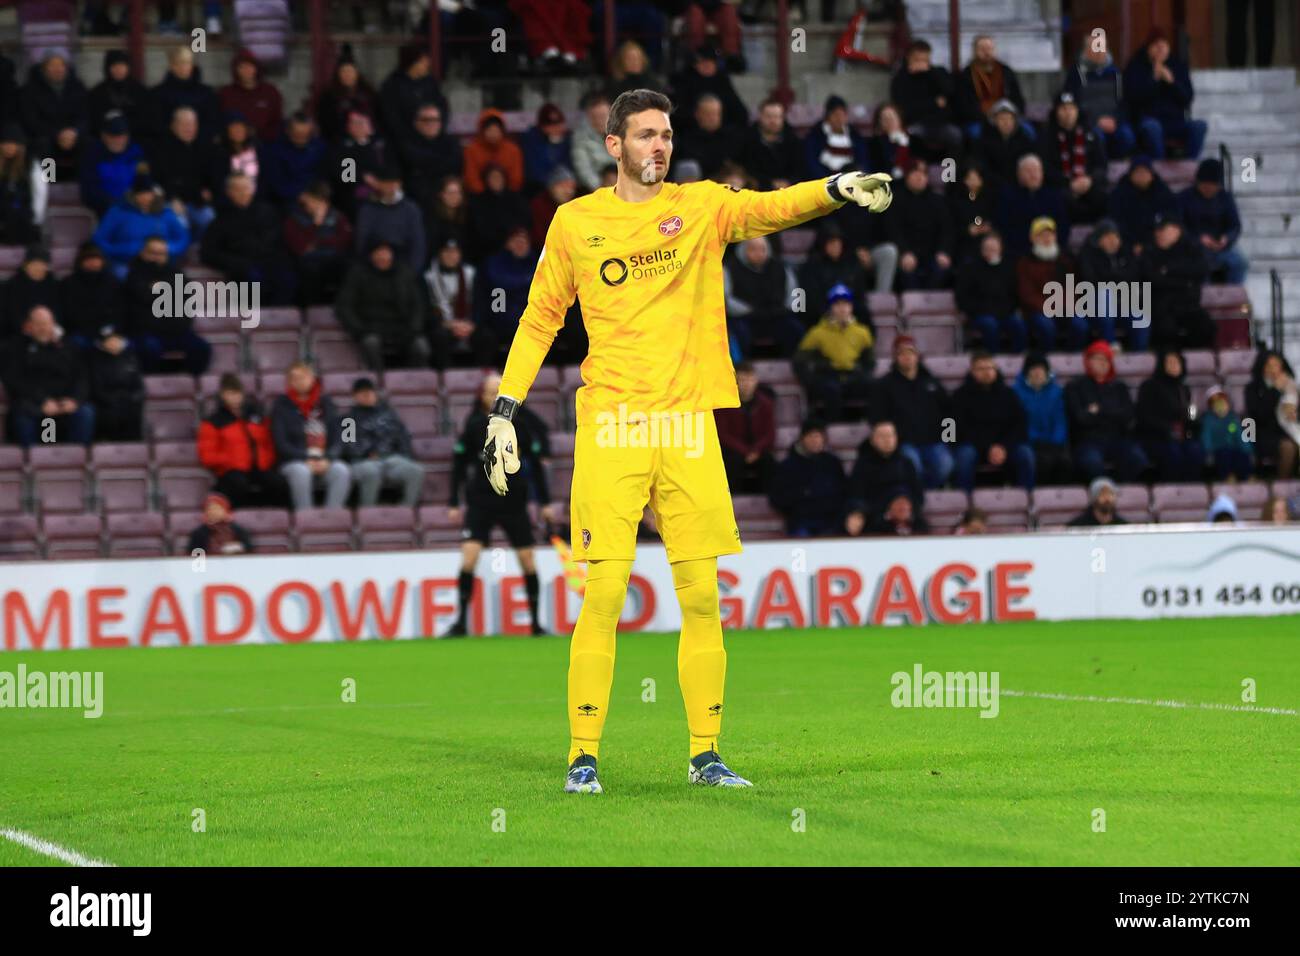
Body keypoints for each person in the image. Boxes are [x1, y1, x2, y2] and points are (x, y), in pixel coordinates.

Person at [483, 88, 892, 795]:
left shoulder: (699, 207)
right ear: (614, 146)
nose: (659, 146)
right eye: (645, 135)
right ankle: (583, 757)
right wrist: (503, 410)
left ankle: (705, 754)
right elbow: (539, 318)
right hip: (613, 424)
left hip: (687, 424)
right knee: (604, 591)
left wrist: (834, 188)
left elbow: (769, 207)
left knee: (701, 596)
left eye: (666, 134)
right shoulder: (577, 223)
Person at [446, 372, 552, 637]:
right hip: (481, 501)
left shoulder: (521, 424)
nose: (493, 396)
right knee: (469, 558)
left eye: (498, 391)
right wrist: (453, 501)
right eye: (489, 392)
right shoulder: (473, 426)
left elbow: (537, 465)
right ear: (481, 397)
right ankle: (460, 623)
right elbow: (458, 465)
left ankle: (536, 624)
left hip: (513, 501)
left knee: (528, 560)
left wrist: (545, 501)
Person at [200, 172, 297, 305]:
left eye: (246, 188)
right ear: (229, 192)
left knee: (288, 278)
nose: (242, 193)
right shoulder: (220, 221)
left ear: (253, 189)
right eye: (237, 189)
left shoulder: (268, 212)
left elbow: (275, 243)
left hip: (270, 265)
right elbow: (208, 253)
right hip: (242, 271)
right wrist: (236, 263)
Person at [336, 239, 432, 372]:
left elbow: (418, 304)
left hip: (402, 327)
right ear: (371, 255)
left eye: (386, 253)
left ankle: (414, 382)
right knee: (370, 343)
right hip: (371, 326)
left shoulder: (405, 272)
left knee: (421, 347)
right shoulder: (357, 274)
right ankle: (379, 382)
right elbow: (344, 306)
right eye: (378, 253)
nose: (383, 257)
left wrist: (414, 327)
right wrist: (360, 330)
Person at [3, 306, 94, 447]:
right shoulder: (17, 348)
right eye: (38, 324)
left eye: (46, 323)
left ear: (53, 324)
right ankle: (33, 462)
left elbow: (81, 377)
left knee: (85, 412)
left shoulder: (68, 347)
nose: (43, 328)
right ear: (29, 326)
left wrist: (75, 400)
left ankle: (76, 462)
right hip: (33, 404)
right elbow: (14, 381)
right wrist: (42, 401)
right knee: (27, 417)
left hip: (64, 403)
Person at [872, 336, 953, 490]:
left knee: (945, 465)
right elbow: (878, 417)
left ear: (917, 356)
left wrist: (950, 439)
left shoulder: (932, 382)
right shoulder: (884, 385)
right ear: (895, 357)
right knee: (913, 466)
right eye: (902, 353)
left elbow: (949, 413)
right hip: (903, 442)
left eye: (911, 352)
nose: (907, 356)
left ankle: (926, 492)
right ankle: (918, 495)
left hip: (934, 441)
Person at [122, 236, 212, 374]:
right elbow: (141, 299)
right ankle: (152, 385)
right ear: (143, 253)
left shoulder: (176, 273)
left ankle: (190, 385)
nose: (157, 257)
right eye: (153, 253)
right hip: (146, 332)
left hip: (176, 330)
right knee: (149, 348)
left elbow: (187, 303)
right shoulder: (133, 275)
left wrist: (155, 290)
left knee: (202, 348)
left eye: (161, 253)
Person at [197, 373, 287, 509]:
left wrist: (268, 460)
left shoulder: (257, 416)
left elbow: (269, 443)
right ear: (222, 395)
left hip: (260, 467)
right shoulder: (213, 422)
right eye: (230, 394)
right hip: (231, 470)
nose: (235, 398)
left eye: (237, 393)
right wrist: (229, 461)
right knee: (237, 484)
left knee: (279, 484)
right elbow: (207, 456)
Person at [270, 362, 352, 510]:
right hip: (294, 460)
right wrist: (306, 458)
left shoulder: (326, 402)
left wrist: (328, 458)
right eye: (296, 378)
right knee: (302, 471)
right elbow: (281, 443)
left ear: (313, 379)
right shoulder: (280, 406)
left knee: (342, 469)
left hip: (323, 459)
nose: (301, 381)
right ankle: (306, 518)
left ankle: (331, 517)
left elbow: (341, 436)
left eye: (305, 377)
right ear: (289, 382)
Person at [1064, 339, 1149, 482]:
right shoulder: (1075, 386)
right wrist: (1111, 412)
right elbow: (1080, 418)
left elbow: (1128, 416)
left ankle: (1119, 492)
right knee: (1092, 464)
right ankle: (1101, 496)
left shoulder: (1119, 386)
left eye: (1106, 359)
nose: (1102, 363)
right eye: (1098, 358)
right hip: (1087, 440)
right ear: (1088, 361)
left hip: (1117, 438)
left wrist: (1098, 411)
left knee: (1137, 458)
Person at [951, 351, 1034, 492]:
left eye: (990, 368)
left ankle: (1025, 500)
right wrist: (987, 447)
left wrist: (1003, 446)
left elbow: (1020, 425)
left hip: (1004, 447)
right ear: (972, 371)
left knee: (1025, 454)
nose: (987, 372)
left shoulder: (1009, 394)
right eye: (981, 369)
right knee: (964, 456)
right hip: (974, 446)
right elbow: (952, 429)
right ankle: (964, 501)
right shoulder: (959, 396)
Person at [792, 284, 875, 421]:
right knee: (831, 391)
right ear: (830, 307)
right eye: (837, 304)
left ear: (851, 307)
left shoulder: (862, 332)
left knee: (874, 386)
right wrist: (812, 379)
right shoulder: (817, 333)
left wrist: (863, 372)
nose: (842, 308)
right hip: (828, 377)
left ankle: (870, 425)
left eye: (846, 304)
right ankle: (834, 426)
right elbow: (800, 361)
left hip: (852, 376)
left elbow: (869, 360)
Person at [1123, 28, 1207, 159]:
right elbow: (1134, 98)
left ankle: (1188, 165)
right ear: (1148, 48)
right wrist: (1154, 79)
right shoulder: (1136, 66)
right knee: (1152, 127)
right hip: (1149, 120)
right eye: (1156, 46)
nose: (1160, 50)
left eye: (1163, 46)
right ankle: (1158, 165)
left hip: (1175, 121)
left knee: (1199, 126)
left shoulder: (1178, 66)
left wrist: (1171, 82)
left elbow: (1187, 99)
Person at [342, 378, 424, 507]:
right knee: (372, 472)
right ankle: (367, 512)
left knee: (416, 470)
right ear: (355, 396)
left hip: (390, 459)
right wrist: (369, 452)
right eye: (363, 393)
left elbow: (403, 437)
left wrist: (405, 456)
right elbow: (348, 446)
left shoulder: (389, 414)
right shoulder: (348, 419)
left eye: (370, 392)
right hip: (363, 462)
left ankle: (406, 511)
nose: (368, 396)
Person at [93, 173, 190, 277]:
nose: (146, 197)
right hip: (126, 263)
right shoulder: (117, 212)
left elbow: (183, 237)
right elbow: (99, 240)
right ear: (133, 195)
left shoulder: (166, 213)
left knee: (176, 279)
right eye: (141, 194)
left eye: (149, 193)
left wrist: (168, 247)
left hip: (160, 263)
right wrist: (125, 249)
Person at [1143, 212, 1215, 351]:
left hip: (1189, 304)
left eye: (1162, 229)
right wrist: (1185, 282)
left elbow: (1201, 269)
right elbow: (1153, 279)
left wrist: (1168, 270)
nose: (1158, 233)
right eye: (1157, 230)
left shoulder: (1191, 248)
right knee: (1165, 330)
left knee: (1207, 327)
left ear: (1177, 230)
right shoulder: (1150, 250)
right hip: (1161, 307)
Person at [1016, 216, 1088, 350]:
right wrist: (1048, 307)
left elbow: (1075, 286)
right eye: (1041, 235)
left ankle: (1072, 357)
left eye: (1050, 235)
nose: (1047, 239)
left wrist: (1066, 304)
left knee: (1080, 325)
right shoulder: (1025, 263)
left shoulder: (1066, 260)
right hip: (1038, 310)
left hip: (1065, 308)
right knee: (1046, 326)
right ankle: (1047, 357)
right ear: (1032, 238)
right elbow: (1026, 294)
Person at [723, 235, 802, 357]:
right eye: (753, 249)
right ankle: (742, 369)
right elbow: (727, 300)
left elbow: (796, 295)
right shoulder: (730, 268)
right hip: (745, 318)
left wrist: (785, 309)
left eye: (762, 249)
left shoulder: (781, 268)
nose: (758, 253)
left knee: (795, 328)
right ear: (743, 250)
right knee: (737, 332)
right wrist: (748, 310)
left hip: (776, 316)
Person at [1077, 219, 1148, 351]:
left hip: (1123, 303)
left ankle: (1139, 355)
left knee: (1141, 319)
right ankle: (1110, 346)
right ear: (1098, 240)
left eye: (1115, 236)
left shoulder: (1126, 252)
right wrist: (1117, 278)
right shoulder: (1088, 254)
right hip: (1094, 307)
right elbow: (1091, 281)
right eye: (1108, 237)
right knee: (1105, 296)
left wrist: (1110, 277)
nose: (1113, 240)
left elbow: (1134, 276)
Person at [769, 418, 847, 537]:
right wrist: (802, 497)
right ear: (802, 438)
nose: (815, 440)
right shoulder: (788, 466)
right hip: (800, 522)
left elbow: (843, 491)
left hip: (831, 522)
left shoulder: (833, 463)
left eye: (818, 436)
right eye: (811, 436)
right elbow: (777, 497)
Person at [844, 420, 923, 536]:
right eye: (882, 436)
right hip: (874, 517)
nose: (887, 440)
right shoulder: (863, 465)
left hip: (904, 516)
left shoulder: (906, 463)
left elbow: (918, 495)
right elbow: (856, 495)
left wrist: (905, 509)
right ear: (872, 440)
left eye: (890, 435)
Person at [1038, 90, 1107, 225]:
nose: (1068, 112)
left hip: (1088, 183)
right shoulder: (1046, 136)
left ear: (1077, 110)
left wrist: (1089, 180)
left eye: (1071, 108)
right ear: (1056, 111)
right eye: (1063, 108)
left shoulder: (1090, 133)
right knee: (1060, 199)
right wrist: (1068, 183)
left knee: (1102, 197)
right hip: (1060, 186)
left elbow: (1101, 164)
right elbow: (1045, 168)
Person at [147, 106, 216, 239]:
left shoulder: (204, 147)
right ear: (173, 125)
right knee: (179, 225)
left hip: (197, 201)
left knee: (210, 220)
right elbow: (158, 179)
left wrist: (208, 190)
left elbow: (211, 176)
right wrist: (171, 198)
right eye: (184, 124)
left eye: (192, 124)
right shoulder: (161, 149)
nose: (189, 128)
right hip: (172, 201)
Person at [18, 53, 88, 182]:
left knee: (88, 145)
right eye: (53, 65)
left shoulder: (77, 87)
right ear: (44, 68)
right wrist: (56, 134)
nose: (58, 69)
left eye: (61, 65)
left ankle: (82, 183)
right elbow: (31, 121)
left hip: (73, 136)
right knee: (42, 146)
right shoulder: (30, 90)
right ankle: (48, 182)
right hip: (46, 135)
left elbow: (85, 115)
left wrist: (74, 132)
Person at [426, 238, 495, 367]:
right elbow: (426, 307)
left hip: (469, 324)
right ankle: (446, 380)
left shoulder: (471, 273)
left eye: (455, 252)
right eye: (447, 252)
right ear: (440, 254)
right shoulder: (429, 276)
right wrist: (448, 324)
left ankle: (483, 377)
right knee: (439, 337)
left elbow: (481, 302)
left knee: (487, 336)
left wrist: (473, 323)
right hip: (444, 325)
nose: (451, 256)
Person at [1136, 350, 1202, 481]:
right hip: (1156, 437)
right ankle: (1171, 489)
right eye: (1170, 362)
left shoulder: (1184, 389)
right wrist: (1166, 429)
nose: (1174, 365)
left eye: (1177, 362)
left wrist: (1194, 423)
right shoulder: (1149, 386)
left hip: (1181, 436)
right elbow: (1144, 416)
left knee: (1195, 450)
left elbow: (1190, 413)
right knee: (1173, 453)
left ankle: (1191, 490)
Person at [888, 39, 960, 160]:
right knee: (909, 139)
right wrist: (934, 103)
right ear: (908, 58)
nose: (921, 64)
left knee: (955, 136)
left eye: (925, 60)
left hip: (939, 123)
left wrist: (930, 71)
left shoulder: (937, 73)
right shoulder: (900, 79)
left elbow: (950, 92)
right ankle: (916, 172)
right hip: (914, 123)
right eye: (917, 60)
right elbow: (905, 108)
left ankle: (950, 175)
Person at [1179, 158, 1247, 285]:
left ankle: (1233, 297)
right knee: (1200, 265)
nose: (1209, 189)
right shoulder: (1184, 198)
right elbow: (1178, 227)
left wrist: (1226, 238)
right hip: (1194, 247)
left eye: (1213, 186)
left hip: (1220, 247)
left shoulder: (1225, 198)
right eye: (1205, 185)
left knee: (1239, 262)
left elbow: (1235, 225)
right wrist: (1198, 239)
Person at [891, 158, 954, 291]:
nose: (920, 176)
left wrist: (943, 251)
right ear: (907, 175)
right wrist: (904, 252)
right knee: (907, 270)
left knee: (941, 268)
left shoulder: (937, 201)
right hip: (907, 254)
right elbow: (893, 230)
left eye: (924, 173)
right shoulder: (896, 200)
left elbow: (947, 230)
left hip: (932, 254)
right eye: (915, 172)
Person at [1065, 38, 1133, 158]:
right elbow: (1072, 105)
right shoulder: (1075, 74)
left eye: (1102, 48)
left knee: (1127, 136)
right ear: (1085, 51)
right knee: (1096, 137)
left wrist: (1116, 120)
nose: (1099, 52)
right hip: (1088, 122)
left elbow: (1125, 103)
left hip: (1114, 121)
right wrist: (1096, 120)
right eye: (1094, 48)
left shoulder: (1116, 74)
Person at [353, 161, 427, 273]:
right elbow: (361, 242)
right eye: (386, 183)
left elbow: (418, 243)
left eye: (393, 183)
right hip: (373, 265)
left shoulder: (411, 209)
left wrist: (412, 272)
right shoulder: (368, 209)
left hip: (403, 266)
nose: (390, 187)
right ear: (378, 184)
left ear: (399, 184)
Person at [714, 362, 775, 494]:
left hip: (758, 450)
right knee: (730, 462)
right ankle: (732, 498)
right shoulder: (725, 403)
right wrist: (745, 451)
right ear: (735, 381)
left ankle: (768, 499)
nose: (747, 384)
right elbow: (723, 434)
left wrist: (755, 450)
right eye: (743, 379)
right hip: (734, 451)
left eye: (750, 379)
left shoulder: (766, 403)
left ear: (756, 380)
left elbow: (770, 434)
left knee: (769, 462)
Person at [1012, 352, 1072, 486]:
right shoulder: (1015, 393)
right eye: (1034, 369)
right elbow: (1018, 422)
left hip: (1053, 443)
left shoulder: (1057, 392)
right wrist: (1036, 439)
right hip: (1029, 442)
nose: (1038, 373)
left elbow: (1060, 420)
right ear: (1027, 372)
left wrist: (1056, 440)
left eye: (1041, 369)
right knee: (1041, 462)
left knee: (1065, 462)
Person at [957, 231, 1020, 352]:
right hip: (980, 314)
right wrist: (978, 311)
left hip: (1004, 313)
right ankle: (993, 357)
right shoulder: (971, 269)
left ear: (1000, 249)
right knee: (990, 325)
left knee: (1018, 324)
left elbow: (1014, 294)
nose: (990, 251)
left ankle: (1018, 357)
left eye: (994, 248)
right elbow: (962, 297)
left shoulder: (1009, 268)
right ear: (982, 250)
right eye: (987, 248)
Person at [954, 34, 1026, 138]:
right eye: (982, 49)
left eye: (989, 48)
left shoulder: (1006, 71)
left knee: (1028, 132)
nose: (986, 52)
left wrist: (1009, 116)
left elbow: (1017, 98)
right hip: (979, 119)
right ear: (974, 51)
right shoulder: (966, 75)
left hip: (1007, 117)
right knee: (977, 134)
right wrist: (987, 117)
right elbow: (963, 105)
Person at [996, 153, 1068, 257]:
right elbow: (1004, 228)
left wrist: (1050, 240)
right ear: (1019, 174)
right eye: (1028, 171)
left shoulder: (1054, 197)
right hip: (1020, 253)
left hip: (1053, 251)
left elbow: (1063, 226)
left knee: (1069, 272)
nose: (1033, 175)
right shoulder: (1008, 197)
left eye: (1037, 170)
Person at [58, 242, 125, 349]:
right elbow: (70, 313)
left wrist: (111, 332)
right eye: (88, 259)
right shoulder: (69, 283)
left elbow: (119, 310)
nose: (93, 262)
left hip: (107, 331)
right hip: (80, 331)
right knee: (78, 343)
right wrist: (94, 334)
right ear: (81, 261)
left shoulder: (113, 282)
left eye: (96, 259)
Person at [79, 111, 144, 216]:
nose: (118, 140)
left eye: (122, 135)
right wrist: (116, 204)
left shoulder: (136, 153)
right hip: (107, 211)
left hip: (136, 208)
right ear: (104, 136)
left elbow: (144, 178)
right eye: (113, 136)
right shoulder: (92, 155)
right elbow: (89, 192)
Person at [1107, 155, 1175, 254]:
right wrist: (1132, 243)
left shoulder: (1163, 192)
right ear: (1130, 175)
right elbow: (1116, 220)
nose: (1141, 175)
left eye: (1145, 172)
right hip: (1126, 242)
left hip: (1157, 241)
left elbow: (1171, 217)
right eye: (1137, 172)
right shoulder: (1119, 194)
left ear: (1151, 174)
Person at [86, 324, 143, 442]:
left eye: (116, 339)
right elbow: (96, 389)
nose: (113, 343)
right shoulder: (94, 361)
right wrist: (114, 400)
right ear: (102, 343)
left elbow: (139, 387)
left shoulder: (130, 358)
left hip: (129, 404)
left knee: (134, 413)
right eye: (109, 340)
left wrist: (131, 398)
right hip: (106, 406)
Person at [1246, 350, 1298, 478]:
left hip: (1289, 430)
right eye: (1269, 365)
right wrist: (1274, 390)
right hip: (1263, 434)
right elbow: (1258, 415)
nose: (1273, 370)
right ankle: (1283, 487)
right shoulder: (1253, 388)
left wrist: (1295, 414)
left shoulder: (1291, 385)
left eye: (1277, 365)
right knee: (1288, 448)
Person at [738, 98, 806, 191]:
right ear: (760, 117)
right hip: (757, 192)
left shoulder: (793, 140)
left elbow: (799, 168)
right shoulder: (747, 139)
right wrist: (770, 183)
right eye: (769, 116)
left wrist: (789, 182)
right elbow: (747, 169)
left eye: (777, 116)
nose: (773, 121)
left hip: (788, 191)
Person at [261, 112, 326, 210]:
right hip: (287, 199)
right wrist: (300, 195)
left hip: (314, 195)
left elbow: (322, 175)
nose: (301, 137)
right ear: (288, 130)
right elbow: (276, 182)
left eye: (305, 134)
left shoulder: (319, 147)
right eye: (297, 133)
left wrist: (314, 195)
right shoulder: (275, 150)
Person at [217, 49, 282, 143]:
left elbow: (277, 123)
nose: (246, 71)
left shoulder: (271, 92)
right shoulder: (226, 94)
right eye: (241, 67)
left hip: (265, 145)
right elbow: (219, 122)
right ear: (235, 70)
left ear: (256, 68)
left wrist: (258, 133)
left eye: (249, 66)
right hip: (233, 147)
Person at [974, 99, 1036, 188]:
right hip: (992, 186)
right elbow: (983, 167)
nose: (1006, 122)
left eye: (1010, 118)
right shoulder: (984, 140)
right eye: (1002, 118)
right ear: (994, 121)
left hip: (1018, 185)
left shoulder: (1024, 140)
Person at [0, 123, 44, 246]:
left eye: (12, 143)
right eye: (5, 143)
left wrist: (37, 218)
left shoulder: (31, 163)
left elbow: (39, 192)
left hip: (25, 214)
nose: (9, 147)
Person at [88, 50, 149, 139]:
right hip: (106, 140)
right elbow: (94, 121)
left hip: (134, 139)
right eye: (114, 66)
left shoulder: (140, 91)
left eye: (122, 65)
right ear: (108, 68)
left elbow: (145, 120)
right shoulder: (97, 93)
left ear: (128, 67)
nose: (118, 69)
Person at [806, 94, 869, 178]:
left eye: (842, 115)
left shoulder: (854, 134)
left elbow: (863, 159)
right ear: (828, 116)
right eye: (835, 115)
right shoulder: (816, 135)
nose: (839, 119)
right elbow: (812, 163)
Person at [463, 109, 524, 195]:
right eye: (490, 130)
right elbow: (471, 178)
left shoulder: (513, 150)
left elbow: (516, 179)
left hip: (507, 197)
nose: (493, 134)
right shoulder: (472, 150)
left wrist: (506, 195)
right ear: (482, 131)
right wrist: (485, 196)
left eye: (496, 130)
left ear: (502, 131)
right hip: (480, 197)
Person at [1200, 385, 1254, 481]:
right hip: (1218, 449)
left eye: (1223, 403)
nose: (1221, 406)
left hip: (1233, 447)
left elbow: (1239, 435)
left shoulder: (1233, 418)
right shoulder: (1208, 419)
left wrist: (1247, 449)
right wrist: (1208, 451)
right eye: (1216, 404)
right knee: (1224, 455)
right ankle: (1227, 477)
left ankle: (1246, 478)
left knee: (1242, 455)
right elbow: (1206, 437)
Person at [522, 102, 572, 194]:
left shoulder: (568, 139)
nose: (555, 128)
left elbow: (569, 167)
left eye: (558, 124)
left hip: (563, 185)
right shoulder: (532, 139)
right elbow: (534, 172)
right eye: (550, 125)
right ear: (542, 126)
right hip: (539, 188)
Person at [186, 493, 254, 556]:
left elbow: (249, 550)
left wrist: (238, 548)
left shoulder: (239, 530)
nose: (213, 512)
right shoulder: (198, 533)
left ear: (225, 510)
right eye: (210, 509)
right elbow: (193, 554)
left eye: (217, 509)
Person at [571, 91, 611, 194]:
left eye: (602, 116)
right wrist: (600, 189)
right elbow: (583, 168)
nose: (599, 121)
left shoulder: (623, 132)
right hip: (595, 189)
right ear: (588, 116)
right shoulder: (580, 137)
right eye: (594, 117)